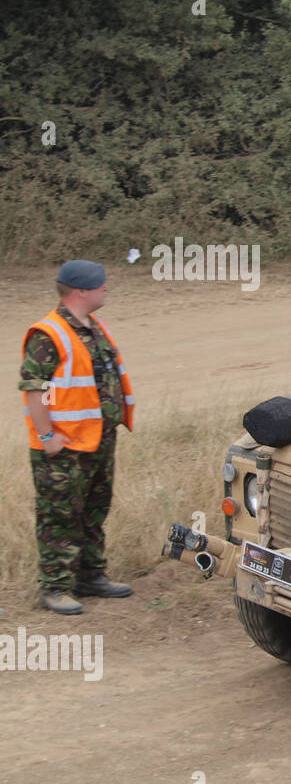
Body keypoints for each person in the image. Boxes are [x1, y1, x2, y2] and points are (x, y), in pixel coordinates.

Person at [20, 260, 136, 615]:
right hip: (63, 446)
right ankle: (55, 587)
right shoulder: (48, 333)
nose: (105, 289)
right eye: (100, 285)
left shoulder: (92, 327)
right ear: (80, 291)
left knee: (93, 510)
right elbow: (34, 391)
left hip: (97, 440)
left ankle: (90, 576)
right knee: (59, 516)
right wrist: (47, 436)